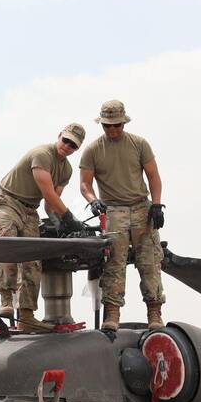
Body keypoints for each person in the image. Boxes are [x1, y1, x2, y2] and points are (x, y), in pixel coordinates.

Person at [78, 99, 166, 332]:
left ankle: (154, 312)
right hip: (113, 211)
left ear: (124, 123)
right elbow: (85, 184)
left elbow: (153, 177)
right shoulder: (93, 150)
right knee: (114, 263)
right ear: (102, 125)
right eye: (108, 126)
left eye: (117, 125)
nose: (113, 129)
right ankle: (112, 313)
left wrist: (156, 206)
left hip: (140, 208)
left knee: (149, 262)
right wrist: (93, 200)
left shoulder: (139, 144)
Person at [0, 124, 86, 332]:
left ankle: (26, 315)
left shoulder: (66, 170)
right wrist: (69, 218)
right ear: (59, 136)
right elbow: (49, 193)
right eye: (66, 140)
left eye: (73, 146)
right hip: (8, 202)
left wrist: (59, 223)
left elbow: (50, 203)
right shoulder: (42, 155)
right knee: (7, 245)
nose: (67, 146)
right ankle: (6, 300)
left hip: (30, 210)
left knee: (33, 261)